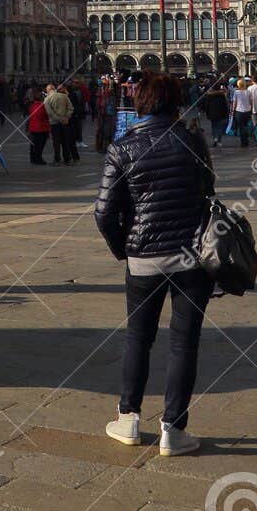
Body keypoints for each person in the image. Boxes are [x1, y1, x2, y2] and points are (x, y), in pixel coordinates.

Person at [94, 71, 214, 457]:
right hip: (191, 258)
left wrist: (123, 248)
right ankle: (173, 431)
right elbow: (208, 191)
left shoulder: (122, 147)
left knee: (138, 338)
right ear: (175, 102)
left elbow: (103, 213)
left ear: (140, 103)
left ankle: (128, 419)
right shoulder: (192, 140)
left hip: (143, 258)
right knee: (184, 344)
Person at [44, 81, 77, 165]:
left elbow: (49, 112)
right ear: (54, 89)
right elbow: (71, 108)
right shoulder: (64, 96)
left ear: (48, 90)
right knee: (65, 141)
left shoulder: (47, 99)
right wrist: (66, 117)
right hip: (65, 122)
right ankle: (67, 159)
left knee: (56, 142)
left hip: (55, 123)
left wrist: (58, 119)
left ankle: (57, 160)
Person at [200, 78, 229, 149]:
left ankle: (215, 138)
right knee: (219, 127)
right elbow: (225, 104)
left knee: (214, 126)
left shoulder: (209, 95)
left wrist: (206, 112)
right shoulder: (222, 95)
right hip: (221, 113)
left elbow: (206, 104)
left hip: (212, 113)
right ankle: (219, 140)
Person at [26, 88, 50, 164]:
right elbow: (47, 116)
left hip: (32, 128)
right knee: (40, 145)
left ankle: (32, 158)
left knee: (33, 144)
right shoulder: (43, 106)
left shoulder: (32, 106)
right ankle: (38, 159)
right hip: (41, 128)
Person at [231, 78, 253, 147]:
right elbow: (251, 102)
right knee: (246, 126)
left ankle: (243, 142)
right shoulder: (248, 92)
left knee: (241, 127)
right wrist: (251, 109)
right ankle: (246, 140)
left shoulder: (236, 92)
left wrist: (233, 111)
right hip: (247, 111)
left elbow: (235, 103)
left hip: (239, 111)